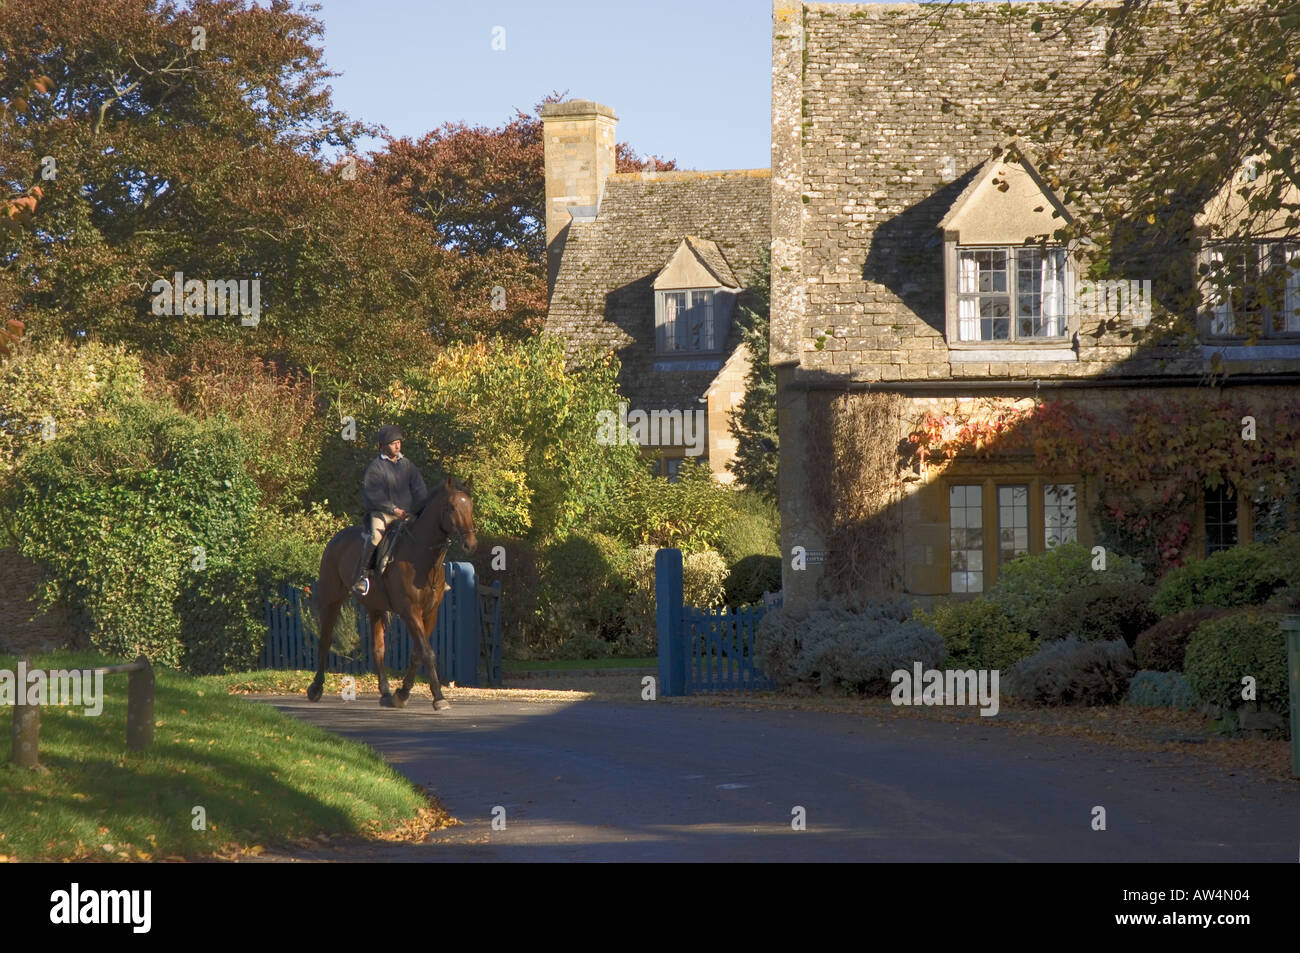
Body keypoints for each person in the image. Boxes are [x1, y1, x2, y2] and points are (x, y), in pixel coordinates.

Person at [351, 424, 429, 596]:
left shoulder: (408, 465)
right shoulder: (375, 467)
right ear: (383, 446)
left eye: (399, 442)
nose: (397, 446)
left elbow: (419, 489)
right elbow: (373, 494)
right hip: (382, 513)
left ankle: (434, 575)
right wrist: (394, 510)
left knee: (426, 533)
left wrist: (420, 508)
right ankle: (362, 576)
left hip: (406, 514)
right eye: (393, 443)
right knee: (375, 537)